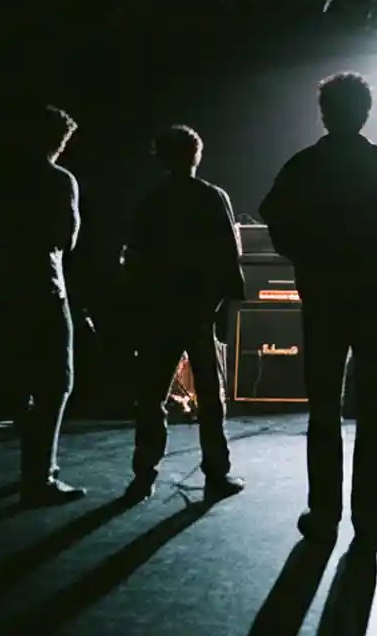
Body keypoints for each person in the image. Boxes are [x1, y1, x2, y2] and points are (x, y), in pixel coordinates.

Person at [260, 72, 377, 548]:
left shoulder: (304, 165)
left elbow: (277, 221)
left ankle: (323, 513)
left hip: (323, 293)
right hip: (374, 293)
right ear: (365, 112)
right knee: (373, 410)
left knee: (323, 407)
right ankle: (369, 518)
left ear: (324, 112)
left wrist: (307, 259)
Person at [122, 125, 246, 502]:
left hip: (160, 310)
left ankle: (144, 475)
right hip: (199, 310)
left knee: (152, 395)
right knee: (210, 395)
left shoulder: (153, 200)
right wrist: (226, 302)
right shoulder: (212, 196)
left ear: (162, 157)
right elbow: (229, 251)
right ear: (197, 156)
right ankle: (216, 474)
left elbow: (136, 259)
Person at [0, 104, 86, 506]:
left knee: (21, 383)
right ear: (58, 141)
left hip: (6, 292)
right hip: (46, 292)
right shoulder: (59, 179)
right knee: (57, 383)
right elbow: (67, 238)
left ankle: (32, 469)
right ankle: (39, 478)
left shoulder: (4, 180)